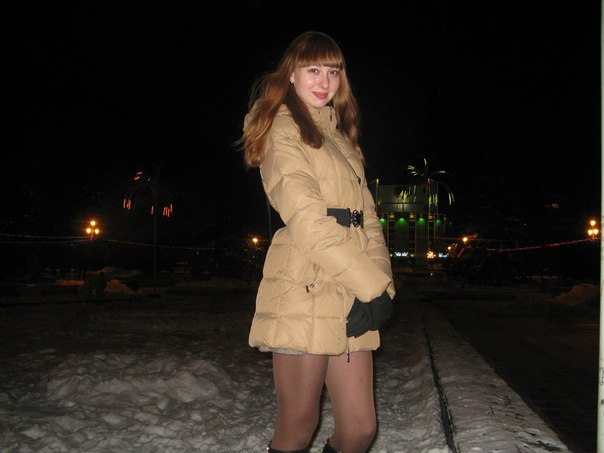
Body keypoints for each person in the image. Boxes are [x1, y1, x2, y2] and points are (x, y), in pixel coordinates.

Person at [237, 31, 396, 453]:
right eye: (313, 70)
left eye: (333, 71)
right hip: (305, 282)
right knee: (298, 424)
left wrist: (380, 287)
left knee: (360, 429)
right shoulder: (281, 128)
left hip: (352, 285)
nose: (324, 81)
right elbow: (307, 220)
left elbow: (367, 219)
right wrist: (368, 285)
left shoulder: (340, 138)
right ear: (291, 73)